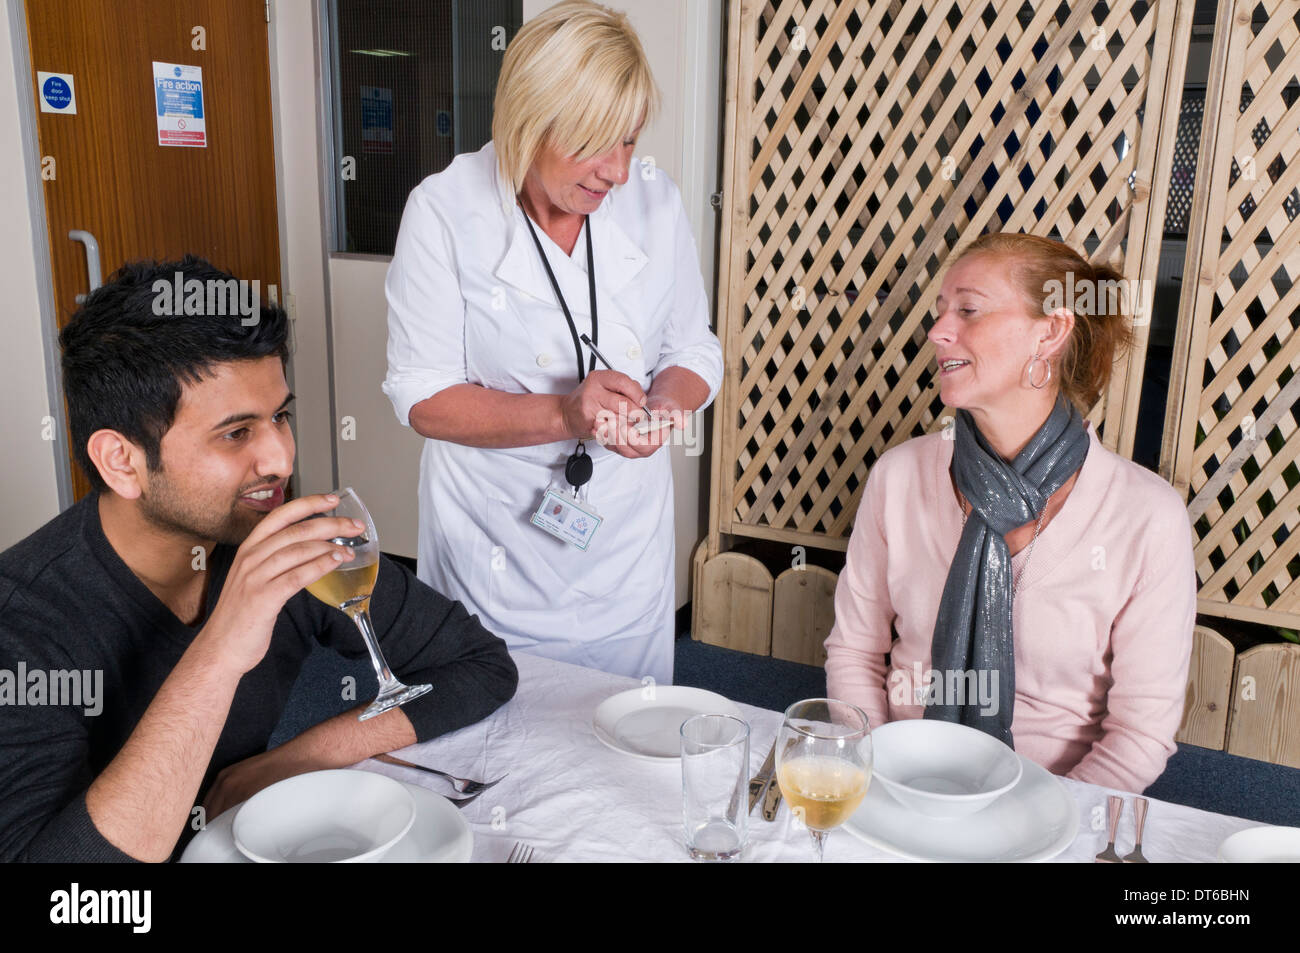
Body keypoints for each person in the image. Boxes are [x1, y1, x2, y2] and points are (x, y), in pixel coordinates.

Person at [0, 257, 518, 862]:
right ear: (122, 461)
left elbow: (479, 664)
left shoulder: (281, 543)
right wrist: (222, 648)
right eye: (235, 433)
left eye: (279, 417)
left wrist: (300, 756)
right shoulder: (24, 628)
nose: (280, 459)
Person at [383, 0, 723, 685]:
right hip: (493, 548)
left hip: (623, 549)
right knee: (485, 744)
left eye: (628, 140)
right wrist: (565, 416)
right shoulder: (445, 212)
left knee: (627, 743)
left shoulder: (656, 204)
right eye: (594, 143)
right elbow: (423, 398)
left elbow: (695, 349)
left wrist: (661, 408)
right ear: (525, 122)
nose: (617, 170)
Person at [824, 233, 1196, 794]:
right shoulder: (898, 477)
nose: (938, 331)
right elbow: (854, 652)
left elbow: (1139, 734)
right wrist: (878, 779)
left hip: (1056, 813)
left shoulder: (1147, 517)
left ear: (1050, 332)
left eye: (969, 310)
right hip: (897, 785)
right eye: (940, 312)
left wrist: (1039, 820)